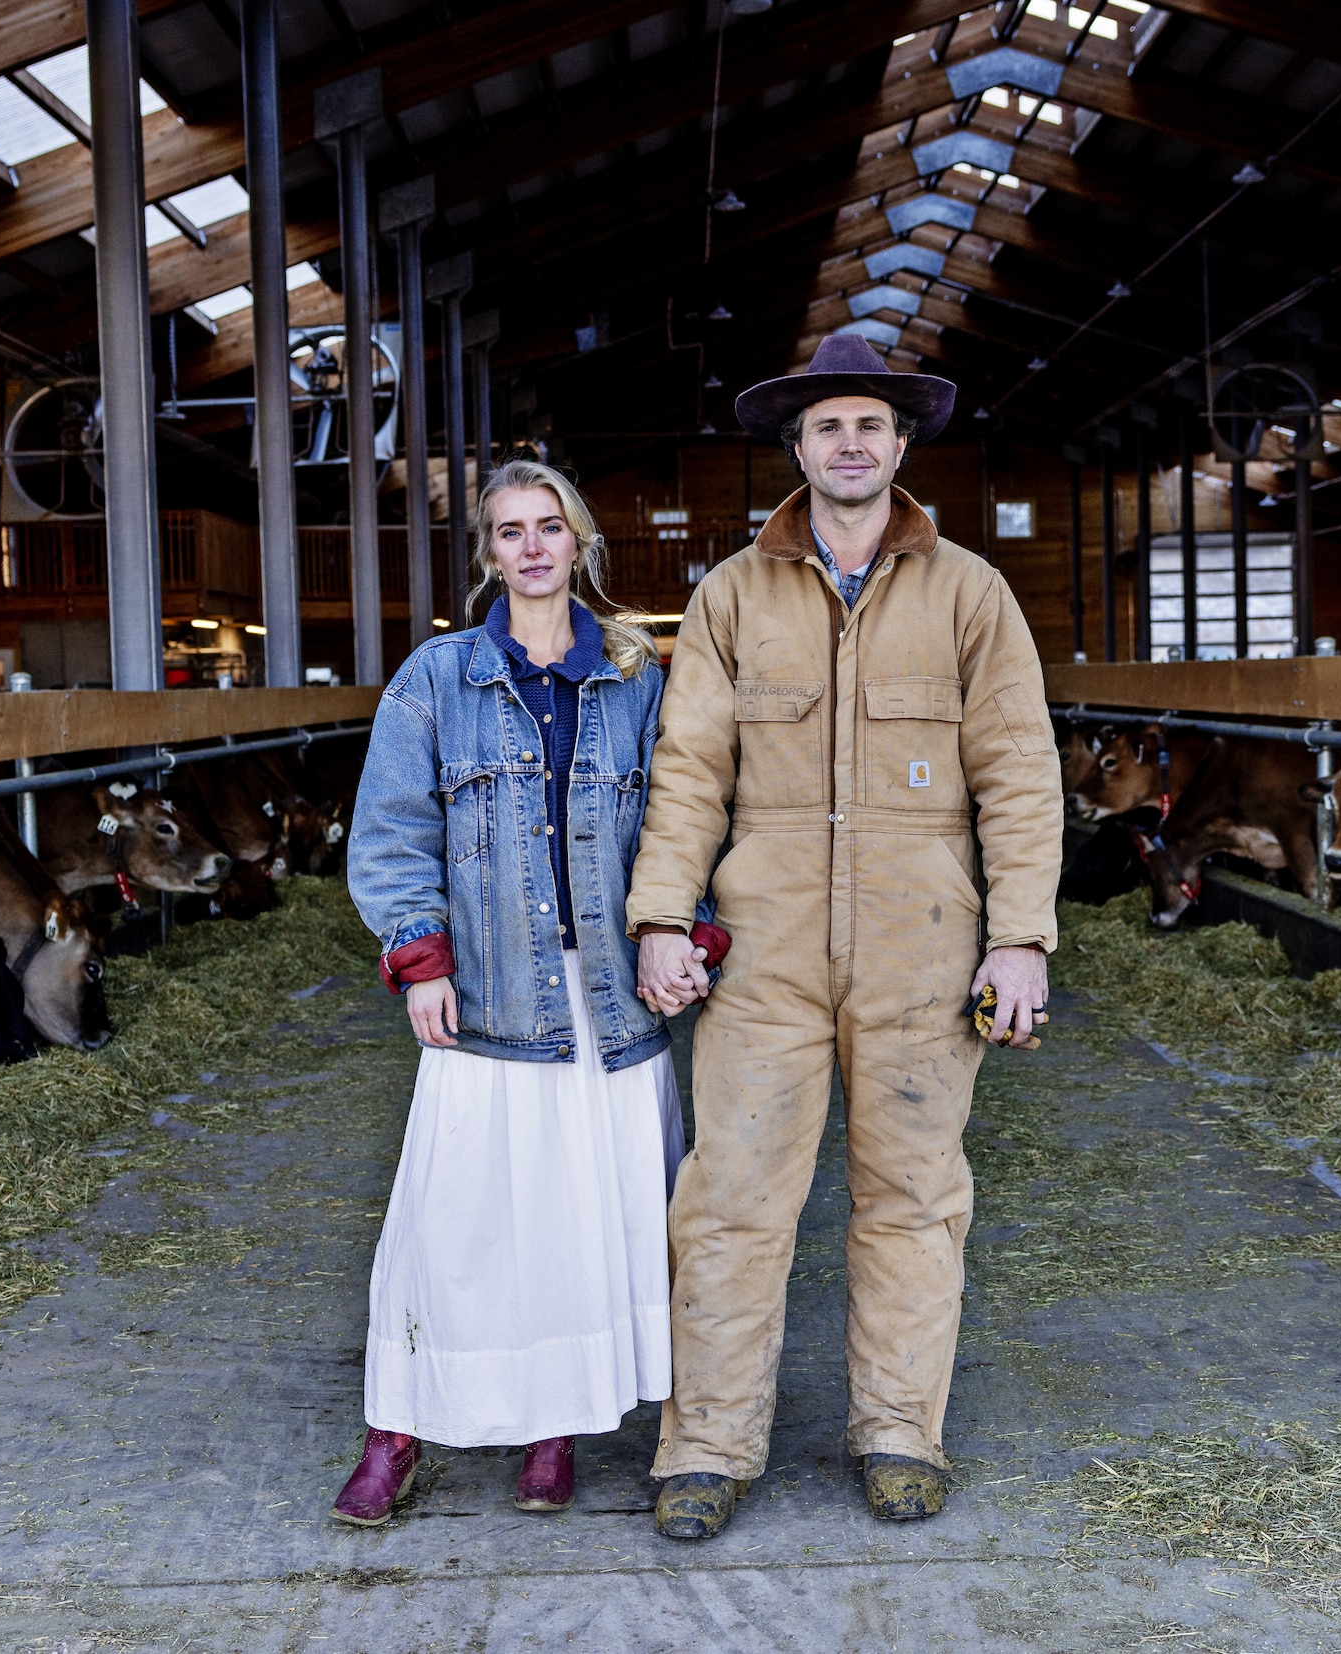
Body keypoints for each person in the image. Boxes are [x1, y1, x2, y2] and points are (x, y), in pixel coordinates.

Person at [625, 334, 1063, 1539]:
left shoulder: (971, 593)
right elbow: (687, 771)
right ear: (797, 448)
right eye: (828, 427)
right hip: (760, 951)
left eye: (869, 423)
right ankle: (706, 1446)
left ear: (902, 444)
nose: (850, 443)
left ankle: (897, 1430)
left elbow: (1020, 775)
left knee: (914, 1196)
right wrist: (663, 915)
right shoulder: (727, 595)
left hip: (924, 944)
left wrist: (1019, 934)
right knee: (727, 1199)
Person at [339, 459, 719, 1527]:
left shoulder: (636, 672)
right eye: (509, 532)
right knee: (447, 1220)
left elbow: (687, 816)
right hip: (491, 992)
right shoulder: (436, 677)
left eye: (549, 526)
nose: (532, 547)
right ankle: (397, 1429)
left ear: (580, 541)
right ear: (489, 555)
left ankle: (551, 1429)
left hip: (609, 994)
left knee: (585, 1222)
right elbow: (392, 831)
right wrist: (420, 957)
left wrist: (683, 933)